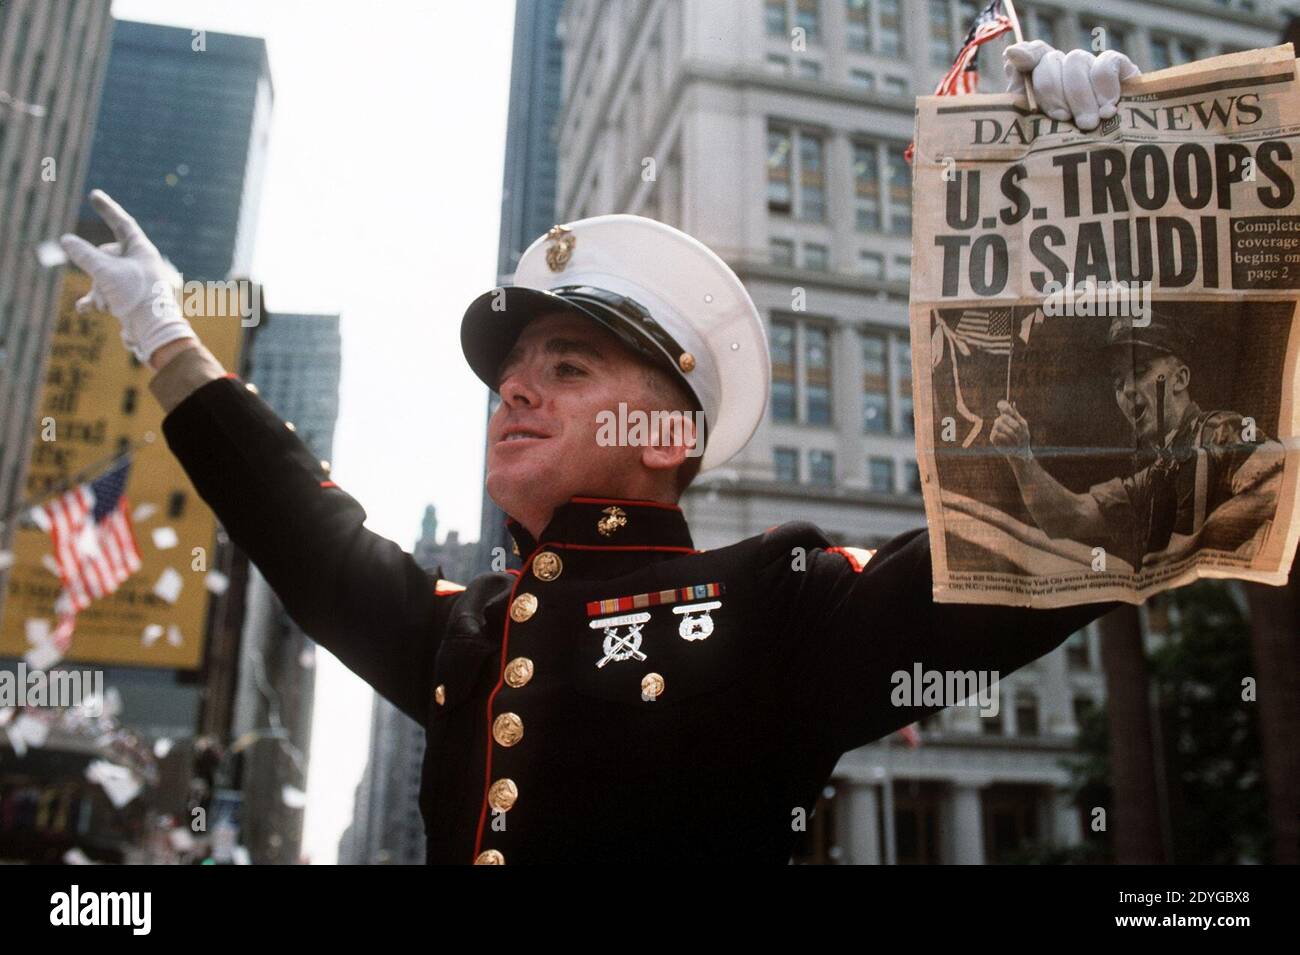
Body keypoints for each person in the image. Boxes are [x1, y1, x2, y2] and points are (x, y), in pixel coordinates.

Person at [61, 43, 1132, 864]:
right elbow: (306, 535)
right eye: (512, 371)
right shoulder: (470, 632)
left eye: (566, 367)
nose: (514, 388)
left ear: (668, 434)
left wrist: (1089, 213)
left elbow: (1050, 532)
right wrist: (165, 334)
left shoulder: (777, 598)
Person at [990, 314, 1285, 570]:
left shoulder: (1221, 430)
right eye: (1118, 383)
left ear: (1180, 379)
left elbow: (1280, 493)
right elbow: (1068, 518)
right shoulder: (1156, 475)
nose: (1128, 390)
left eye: (1141, 372)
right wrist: (1021, 455)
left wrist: (1195, 546)